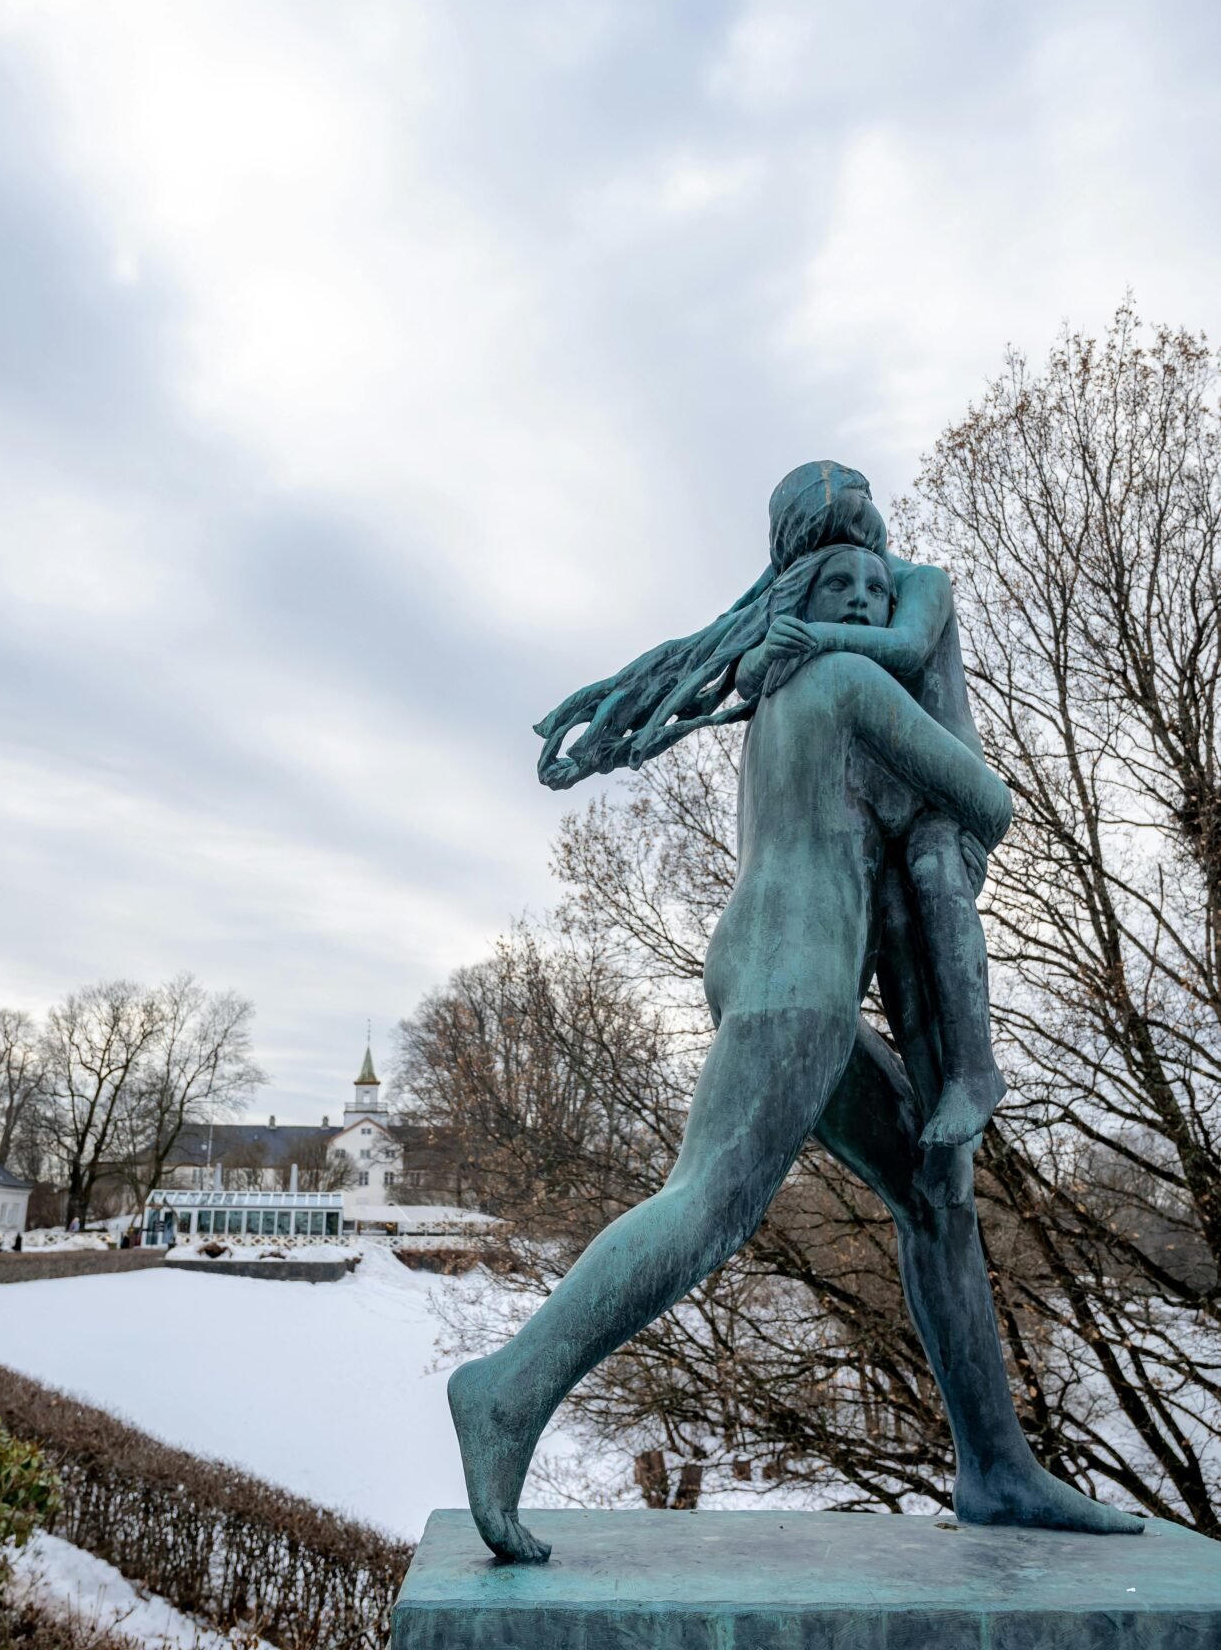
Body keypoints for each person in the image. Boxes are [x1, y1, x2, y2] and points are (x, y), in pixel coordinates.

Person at [454, 536, 1143, 1563]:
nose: (865, 599)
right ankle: (506, 1388)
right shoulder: (849, 676)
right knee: (706, 1205)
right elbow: (987, 801)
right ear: (800, 600)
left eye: (876, 586)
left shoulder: (782, 696)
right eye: (840, 587)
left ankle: (995, 1463)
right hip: (799, 981)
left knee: (933, 1189)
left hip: (767, 964)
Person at [539, 460, 1004, 1149]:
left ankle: (974, 1072)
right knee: (901, 934)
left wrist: (813, 639)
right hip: (880, 797)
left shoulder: (916, 585)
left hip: (940, 783)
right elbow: (747, 654)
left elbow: (905, 651)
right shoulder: (839, 587)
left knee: (934, 872)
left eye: (843, 526)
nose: (846, 586)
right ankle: (940, 1102)